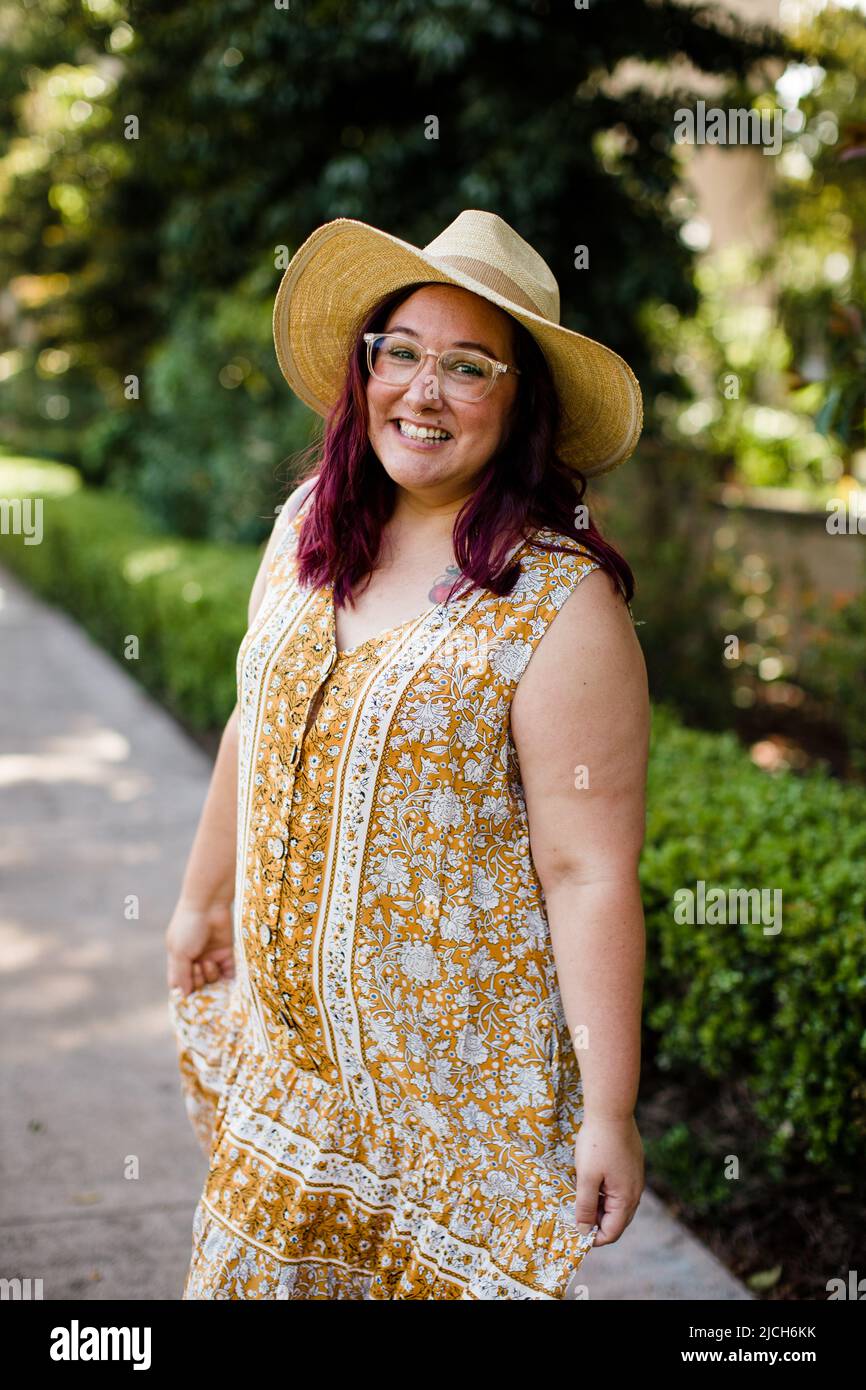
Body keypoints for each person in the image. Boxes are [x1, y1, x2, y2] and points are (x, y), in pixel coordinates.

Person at [165, 209, 650, 1300]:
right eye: (402, 353)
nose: (423, 392)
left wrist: (609, 1109)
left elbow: (587, 873)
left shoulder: (557, 607)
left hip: (449, 1118)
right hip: (285, 1077)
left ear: (518, 401)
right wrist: (201, 898)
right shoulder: (305, 528)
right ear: (365, 367)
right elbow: (257, 719)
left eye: (468, 367)